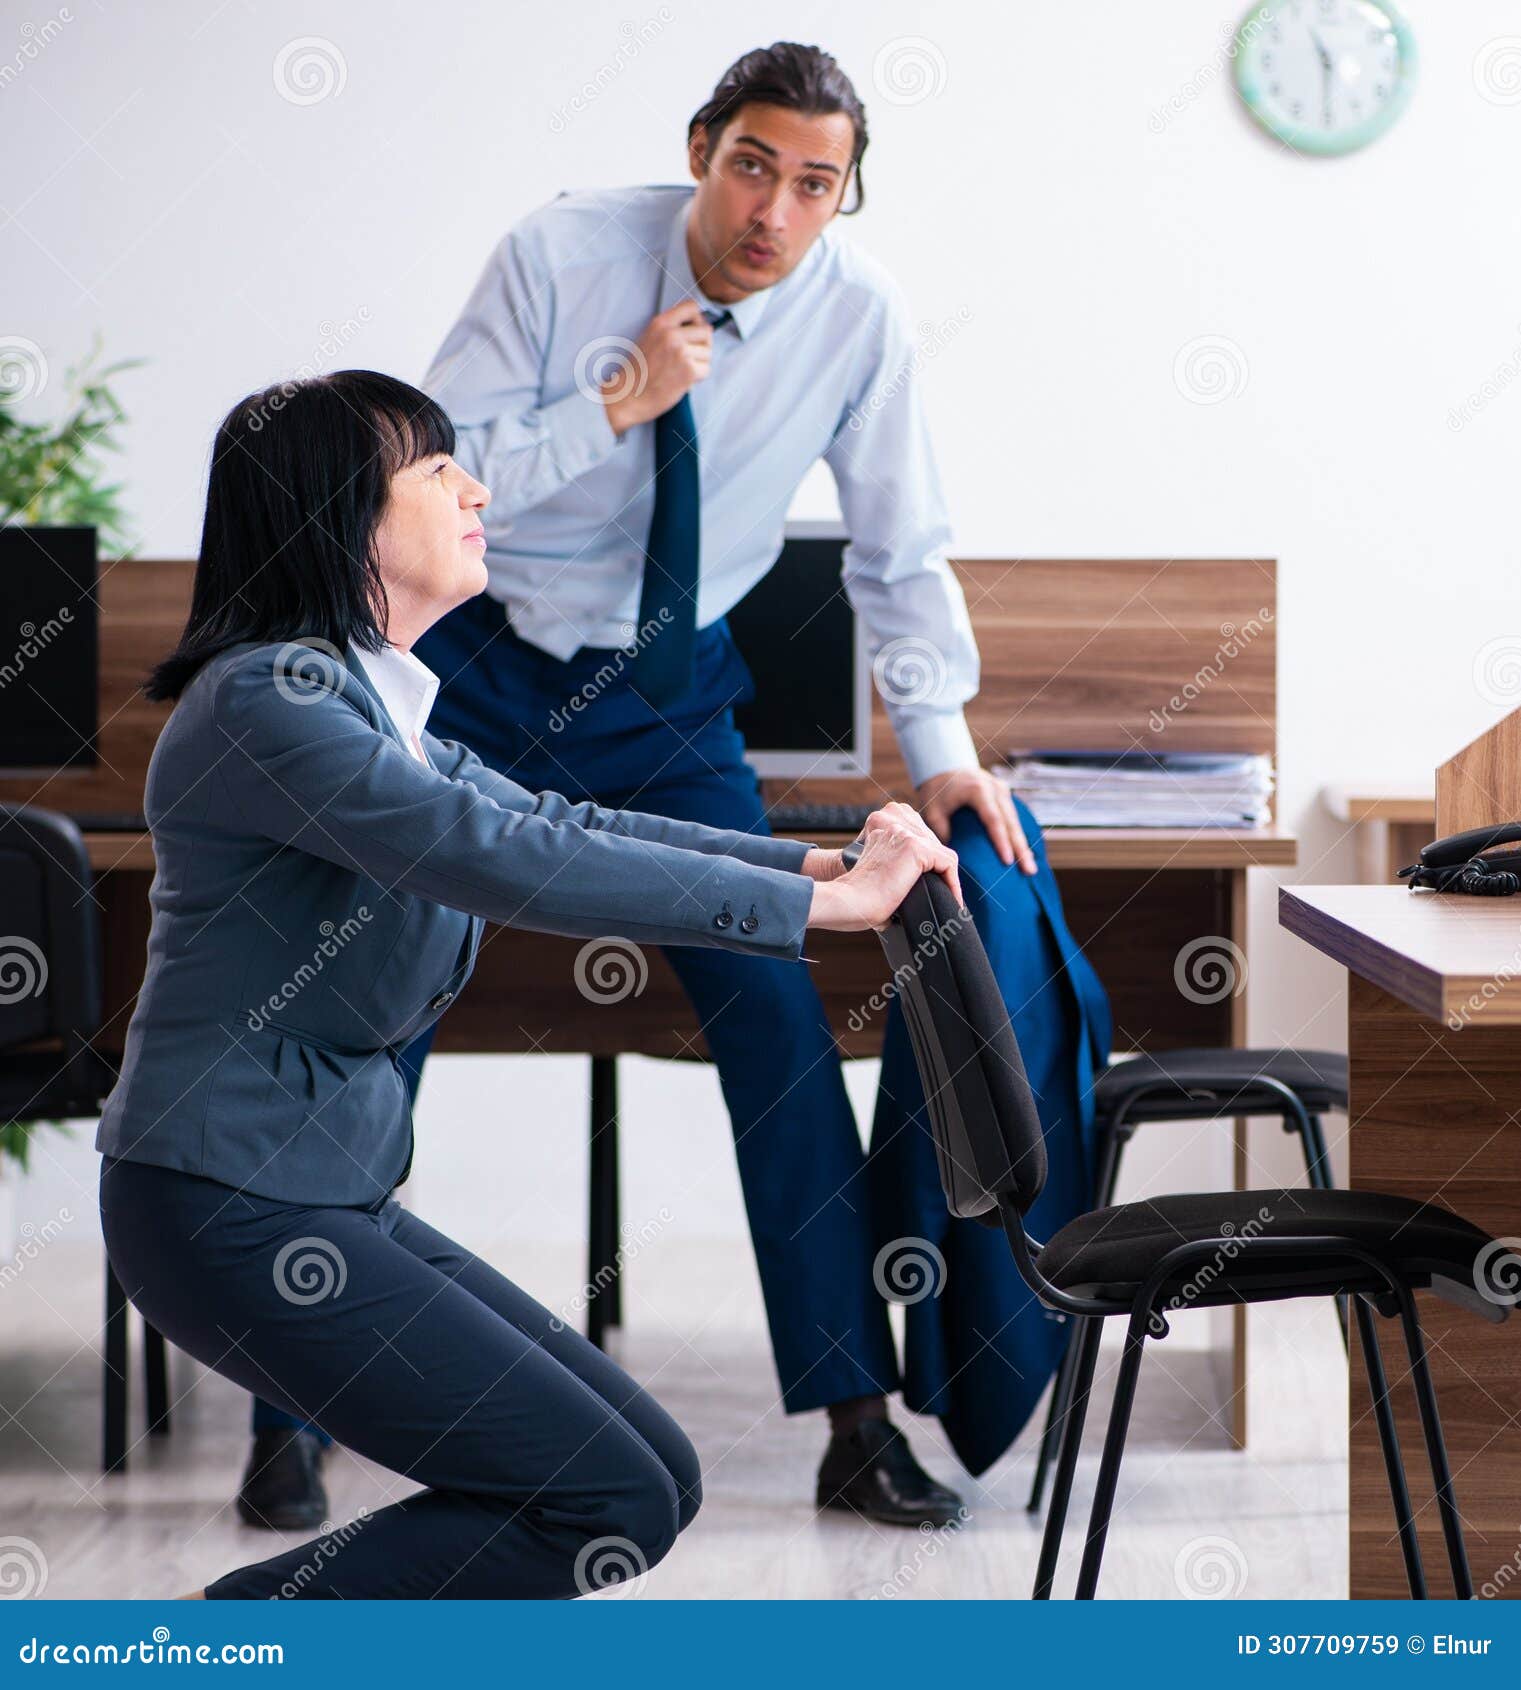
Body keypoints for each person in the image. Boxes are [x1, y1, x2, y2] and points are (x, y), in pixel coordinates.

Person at [238, 41, 1108, 1526]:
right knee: (369, 1010)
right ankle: (295, 1414)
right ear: (703, 147)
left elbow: (901, 549)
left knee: (777, 1017)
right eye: (752, 164)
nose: (774, 207)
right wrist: (619, 399)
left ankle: (852, 1418)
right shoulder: (559, 253)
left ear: (845, 197)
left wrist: (944, 752)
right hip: (483, 673)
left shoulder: (858, 317)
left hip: (670, 701)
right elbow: (422, 478)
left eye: (814, 182)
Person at [96, 368, 960, 1600]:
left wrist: (816, 859)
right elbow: (501, 855)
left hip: (321, 1195)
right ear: (342, 513)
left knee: (651, 1477)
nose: (476, 488)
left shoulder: (370, 701)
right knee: (598, 1494)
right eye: (437, 468)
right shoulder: (266, 702)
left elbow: (562, 815)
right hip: (225, 1206)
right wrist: (825, 909)